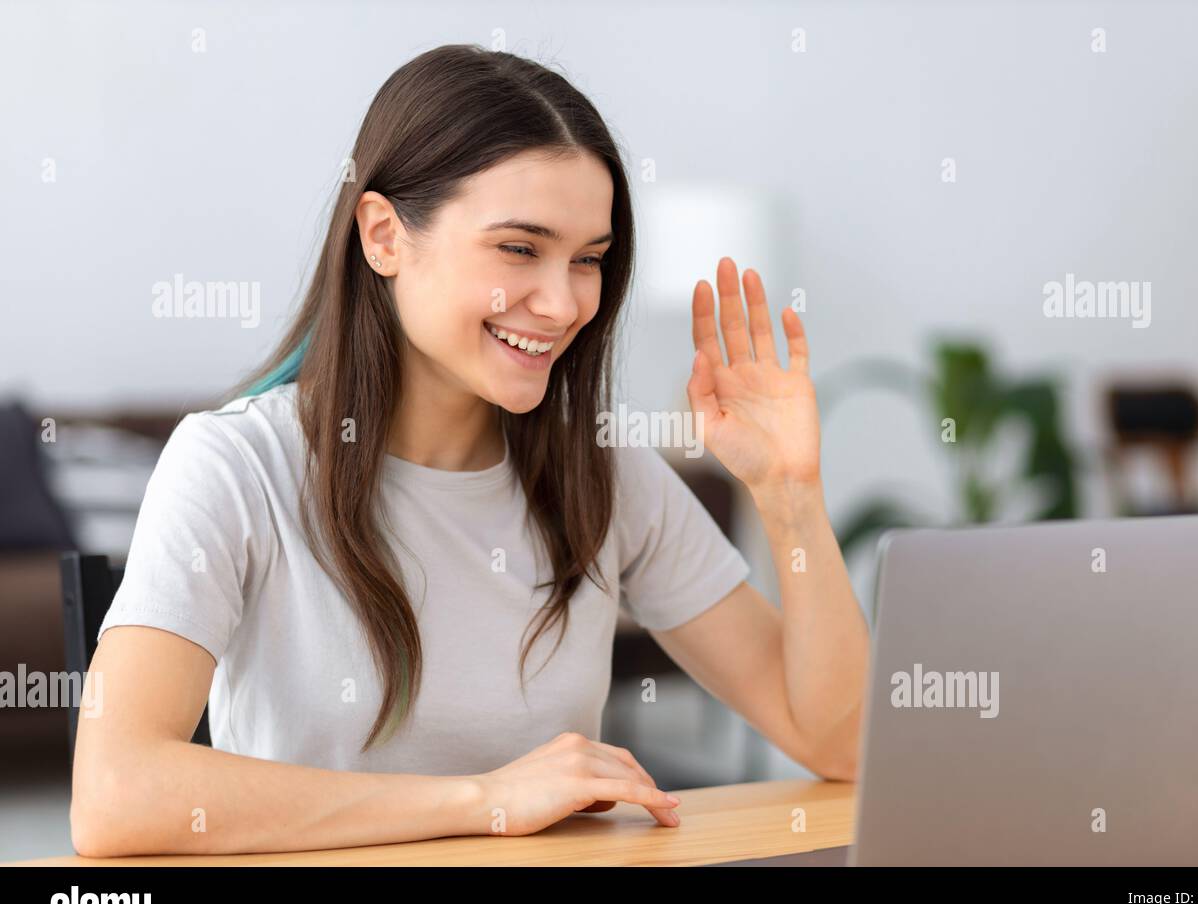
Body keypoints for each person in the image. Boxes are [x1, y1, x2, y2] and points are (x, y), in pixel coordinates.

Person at [71, 44, 868, 857]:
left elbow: (840, 744)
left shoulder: (608, 476)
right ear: (383, 236)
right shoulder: (236, 468)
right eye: (519, 249)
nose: (562, 304)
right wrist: (487, 800)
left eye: (588, 260)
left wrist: (789, 493)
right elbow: (116, 794)